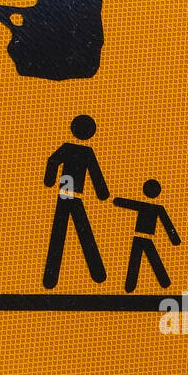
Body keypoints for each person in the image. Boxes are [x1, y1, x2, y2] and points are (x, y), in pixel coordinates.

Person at [42, 115, 109, 288]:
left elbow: (53, 162)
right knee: (79, 230)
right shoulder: (85, 152)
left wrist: (50, 181)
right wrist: (102, 193)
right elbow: (95, 174)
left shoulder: (72, 149)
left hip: (65, 195)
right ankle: (97, 273)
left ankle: (53, 278)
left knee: (63, 231)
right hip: (72, 196)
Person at [113, 180, 181, 291]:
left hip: (142, 238)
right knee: (140, 260)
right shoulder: (156, 208)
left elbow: (167, 224)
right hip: (142, 238)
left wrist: (175, 239)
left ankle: (162, 283)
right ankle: (134, 286)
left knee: (142, 259)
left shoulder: (155, 208)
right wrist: (174, 239)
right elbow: (167, 224)